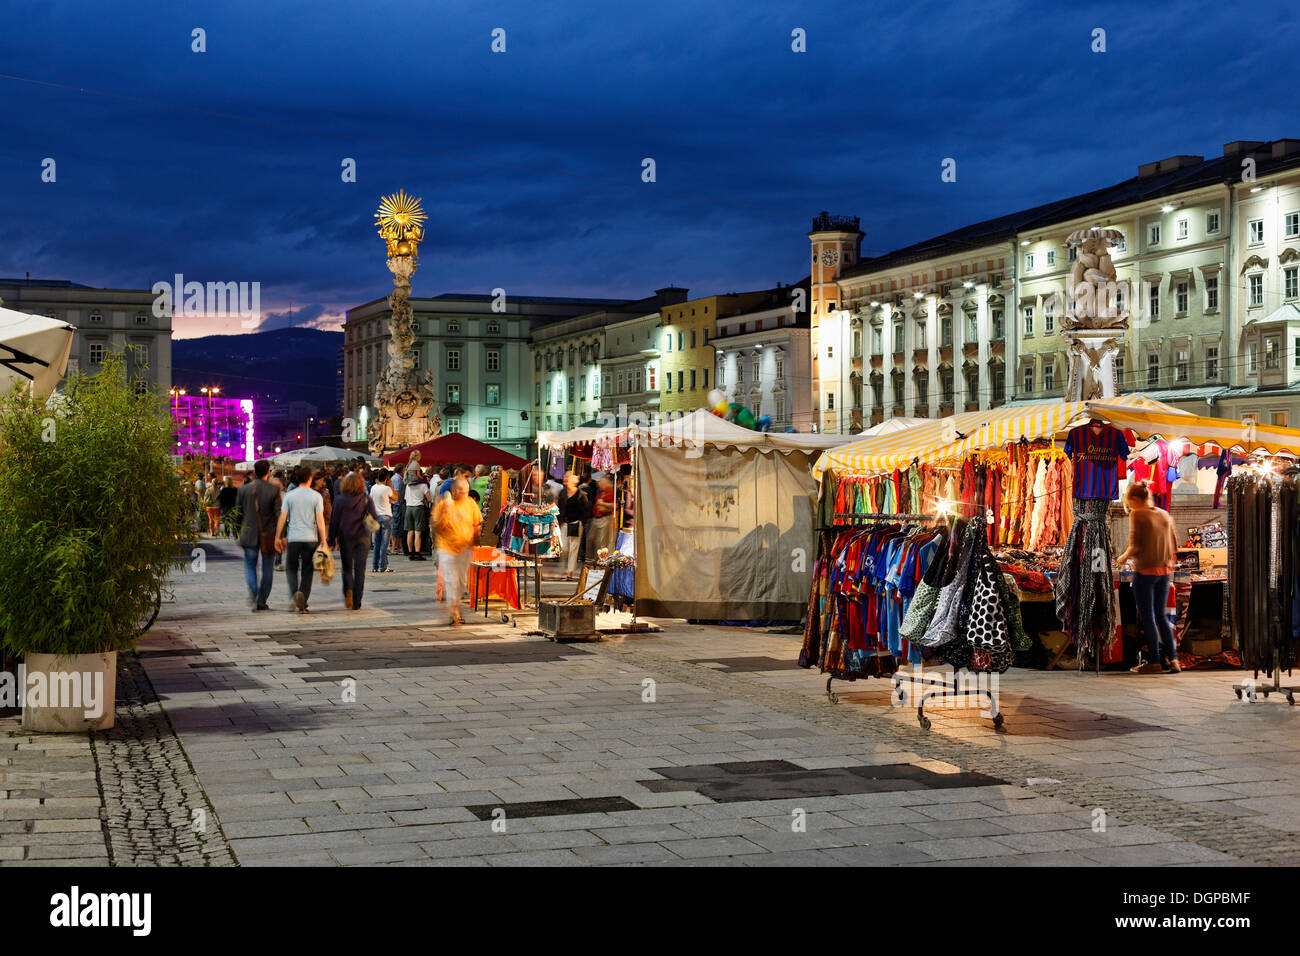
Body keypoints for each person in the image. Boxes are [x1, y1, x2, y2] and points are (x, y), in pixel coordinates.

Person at [1116, 482, 1181, 674]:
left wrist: (1124, 556)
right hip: (1164, 571)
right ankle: (1174, 660)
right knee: (1161, 616)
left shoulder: (1138, 514)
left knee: (1148, 618)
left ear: (1135, 500)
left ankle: (1154, 661)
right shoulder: (1163, 513)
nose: (1130, 506)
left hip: (1145, 572)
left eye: (1129, 502)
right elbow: (1175, 541)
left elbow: (1135, 544)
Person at [275, 466, 326, 614]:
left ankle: (294, 593)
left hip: (293, 538)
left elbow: (282, 518)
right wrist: (324, 539)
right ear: (310, 478)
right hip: (310, 538)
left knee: (291, 568)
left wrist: (278, 537)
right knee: (307, 570)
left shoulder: (290, 495)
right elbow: (320, 520)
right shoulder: (316, 496)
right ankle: (302, 596)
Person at [432, 477, 482, 625]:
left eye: (466, 490)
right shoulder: (442, 503)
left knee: (461, 582)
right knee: (451, 579)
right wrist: (444, 513)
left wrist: (476, 539)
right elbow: (435, 526)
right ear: (454, 490)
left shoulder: (470, 503)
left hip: (465, 547)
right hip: (447, 547)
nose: (465, 493)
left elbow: (477, 523)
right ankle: (454, 611)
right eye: (461, 490)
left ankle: (454, 606)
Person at [329, 471, 380, 610]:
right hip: (363, 537)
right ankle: (357, 601)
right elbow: (375, 516)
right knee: (360, 569)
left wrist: (331, 540)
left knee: (347, 568)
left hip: (345, 537)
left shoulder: (339, 500)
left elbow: (334, 521)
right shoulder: (366, 499)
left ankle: (348, 591)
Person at [236, 459, 282, 611]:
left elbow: (238, 513)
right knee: (268, 568)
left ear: (254, 472)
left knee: (250, 565)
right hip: (268, 534)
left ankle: (253, 589)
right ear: (268, 472)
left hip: (249, 533)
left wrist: (238, 531)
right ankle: (262, 600)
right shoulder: (274, 490)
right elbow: (278, 515)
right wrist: (281, 536)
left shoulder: (243, 490)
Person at [557, 472, 591, 581]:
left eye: (568, 477)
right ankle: (566, 569)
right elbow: (559, 507)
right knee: (564, 548)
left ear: (574, 480)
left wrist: (581, 522)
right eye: (566, 477)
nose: (566, 479)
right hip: (564, 523)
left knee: (573, 549)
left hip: (576, 524)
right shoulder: (562, 492)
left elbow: (586, 510)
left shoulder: (581, 494)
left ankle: (570, 573)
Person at [370, 469, 398, 574]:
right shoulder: (387, 489)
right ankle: (383, 566)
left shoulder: (373, 488)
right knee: (384, 543)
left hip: (376, 516)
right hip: (386, 516)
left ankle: (374, 566)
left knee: (377, 542)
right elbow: (396, 497)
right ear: (387, 477)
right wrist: (391, 485)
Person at [404, 461, 432, 560]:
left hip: (409, 508)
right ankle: (417, 553)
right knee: (418, 532)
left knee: (410, 532)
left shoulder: (408, 485)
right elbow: (429, 499)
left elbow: (405, 498)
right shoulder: (423, 485)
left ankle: (410, 553)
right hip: (418, 508)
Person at [587, 473, 616, 559]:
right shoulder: (601, 491)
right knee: (592, 539)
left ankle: (600, 562)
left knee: (601, 542)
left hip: (605, 518)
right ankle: (593, 560)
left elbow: (615, 505)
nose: (598, 483)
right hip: (596, 518)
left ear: (605, 482)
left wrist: (602, 503)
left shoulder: (610, 491)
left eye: (601, 481)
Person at [389, 466, 406, 553]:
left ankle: (396, 545)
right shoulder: (397, 479)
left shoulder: (395, 477)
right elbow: (396, 492)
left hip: (395, 504)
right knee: (396, 524)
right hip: (397, 504)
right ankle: (394, 546)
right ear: (401, 470)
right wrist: (400, 502)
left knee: (397, 524)